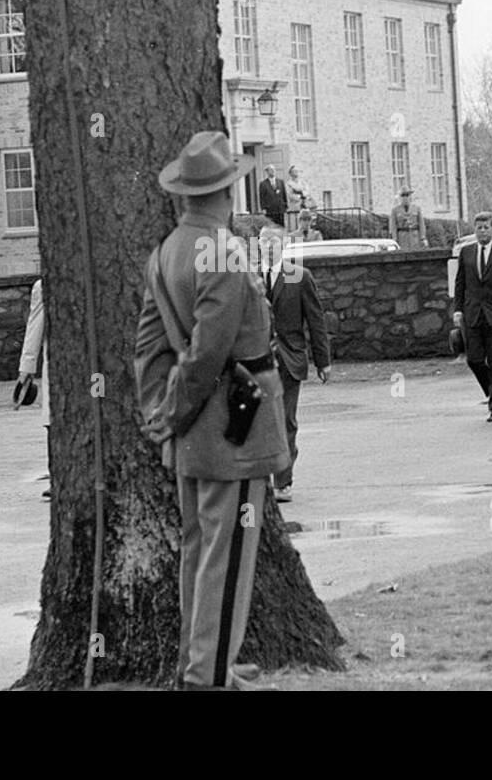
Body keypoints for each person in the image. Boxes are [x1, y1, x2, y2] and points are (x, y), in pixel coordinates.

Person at [134, 130, 288, 691]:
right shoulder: (220, 250)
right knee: (225, 562)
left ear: (184, 195)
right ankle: (208, 679)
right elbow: (208, 352)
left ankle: (202, 664)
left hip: (197, 431)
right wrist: (174, 411)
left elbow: (150, 348)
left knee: (200, 554)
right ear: (225, 192)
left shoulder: (164, 252)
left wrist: (161, 411)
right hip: (233, 427)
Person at [259, 231, 331, 503]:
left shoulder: (300, 277)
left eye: (273, 242)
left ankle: (283, 482)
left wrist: (323, 361)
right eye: (263, 242)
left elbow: (315, 320)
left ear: (284, 245)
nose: (268, 247)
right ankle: (262, 480)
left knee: (286, 420)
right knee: (261, 421)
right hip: (256, 363)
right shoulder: (248, 277)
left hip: (290, 359)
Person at [452, 212, 492, 422]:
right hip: (473, 313)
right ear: (475, 230)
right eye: (479, 228)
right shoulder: (467, 252)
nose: (482, 231)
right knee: (474, 359)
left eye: (486, 227)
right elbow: (460, 282)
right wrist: (458, 309)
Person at [16, 279, 50, 500]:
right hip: (60, 363)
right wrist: (27, 366)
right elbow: (36, 323)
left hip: (98, 370)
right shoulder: (44, 286)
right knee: (53, 416)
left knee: (99, 402)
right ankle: (59, 472)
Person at [284, 165, 308, 232]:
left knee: (304, 225)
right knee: (294, 227)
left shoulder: (303, 182)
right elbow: (290, 195)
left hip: (304, 206)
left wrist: (303, 194)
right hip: (294, 207)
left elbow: (307, 191)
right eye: (294, 171)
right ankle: (295, 241)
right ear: (290, 173)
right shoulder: (288, 184)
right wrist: (299, 196)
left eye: (297, 171)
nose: (296, 172)